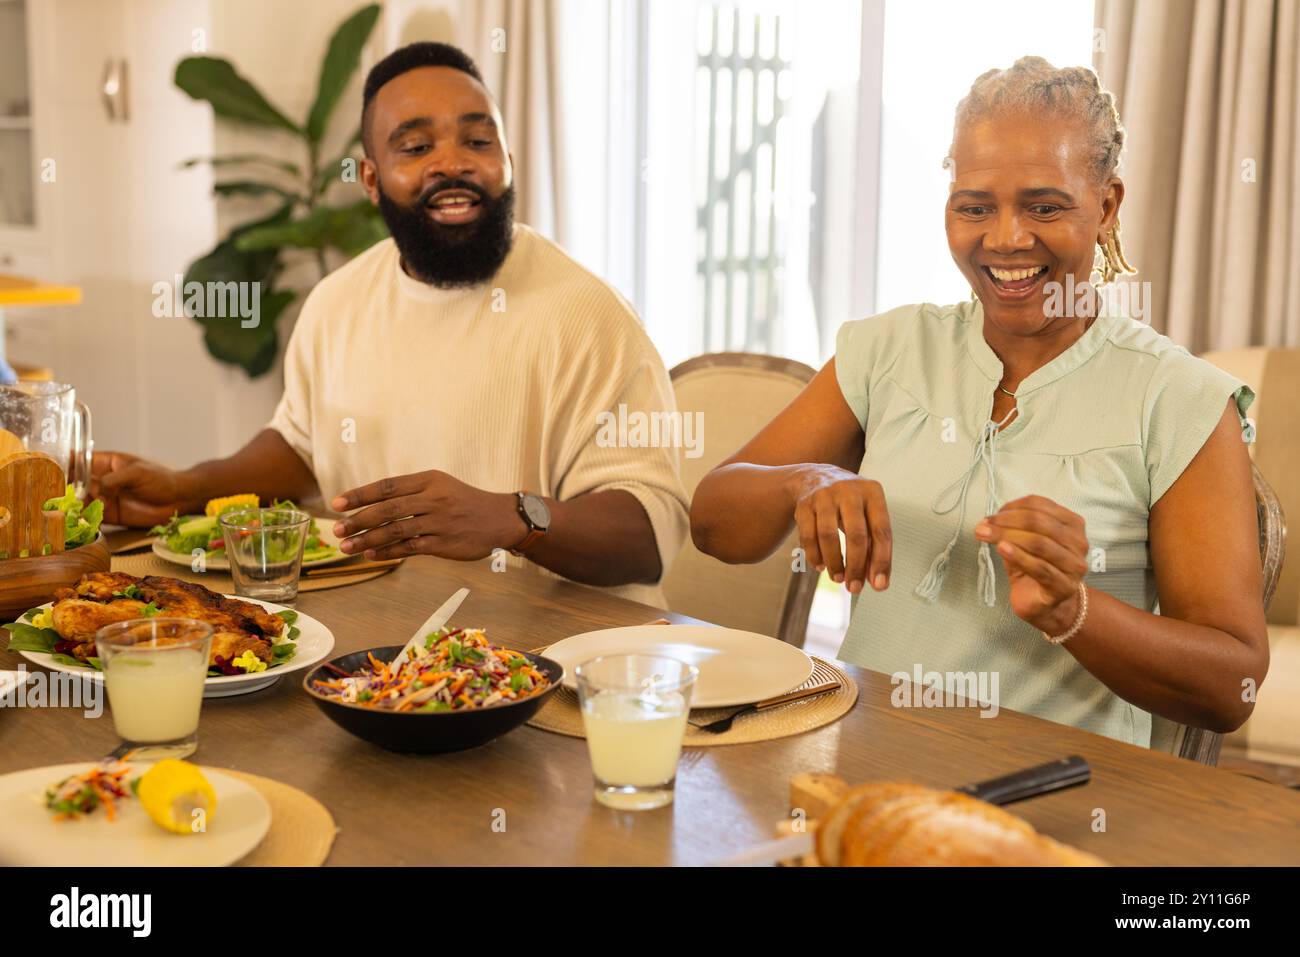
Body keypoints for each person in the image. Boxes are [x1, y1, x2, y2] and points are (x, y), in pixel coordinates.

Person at [690, 57, 1269, 749]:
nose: (1005, 238)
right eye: (974, 206)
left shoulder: (1181, 400)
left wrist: (1073, 610)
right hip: (866, 771)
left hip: (1057, 801)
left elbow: (1230, 685)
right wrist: (803, 481)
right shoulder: (888, 349)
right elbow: (715, 525)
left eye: (1044, 206)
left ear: (1107, 206)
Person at [93, 42, 688, 605]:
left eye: (478, 140)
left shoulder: (590, 316)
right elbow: (303, 447)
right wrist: (185, 487)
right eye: (416, 147)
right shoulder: (336, 301)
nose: (452, 164)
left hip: (569, 658)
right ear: (372, 178)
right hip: (385, 643)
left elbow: (647, 537)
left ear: (507, 160)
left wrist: (511, 518)